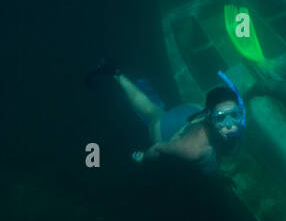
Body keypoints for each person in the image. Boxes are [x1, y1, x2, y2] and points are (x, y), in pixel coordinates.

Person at [87, 61, 245, 174]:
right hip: (163, 129)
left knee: (152, 108)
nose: (230, 124)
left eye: (234, 115)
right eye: (221, 118)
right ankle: (117, 75)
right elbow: (158, 148)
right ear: (210, 119)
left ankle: (119, 76)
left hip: (189, 112)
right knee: (150, 111)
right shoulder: (192, 151)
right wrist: (143, 159)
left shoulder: (226, 120)